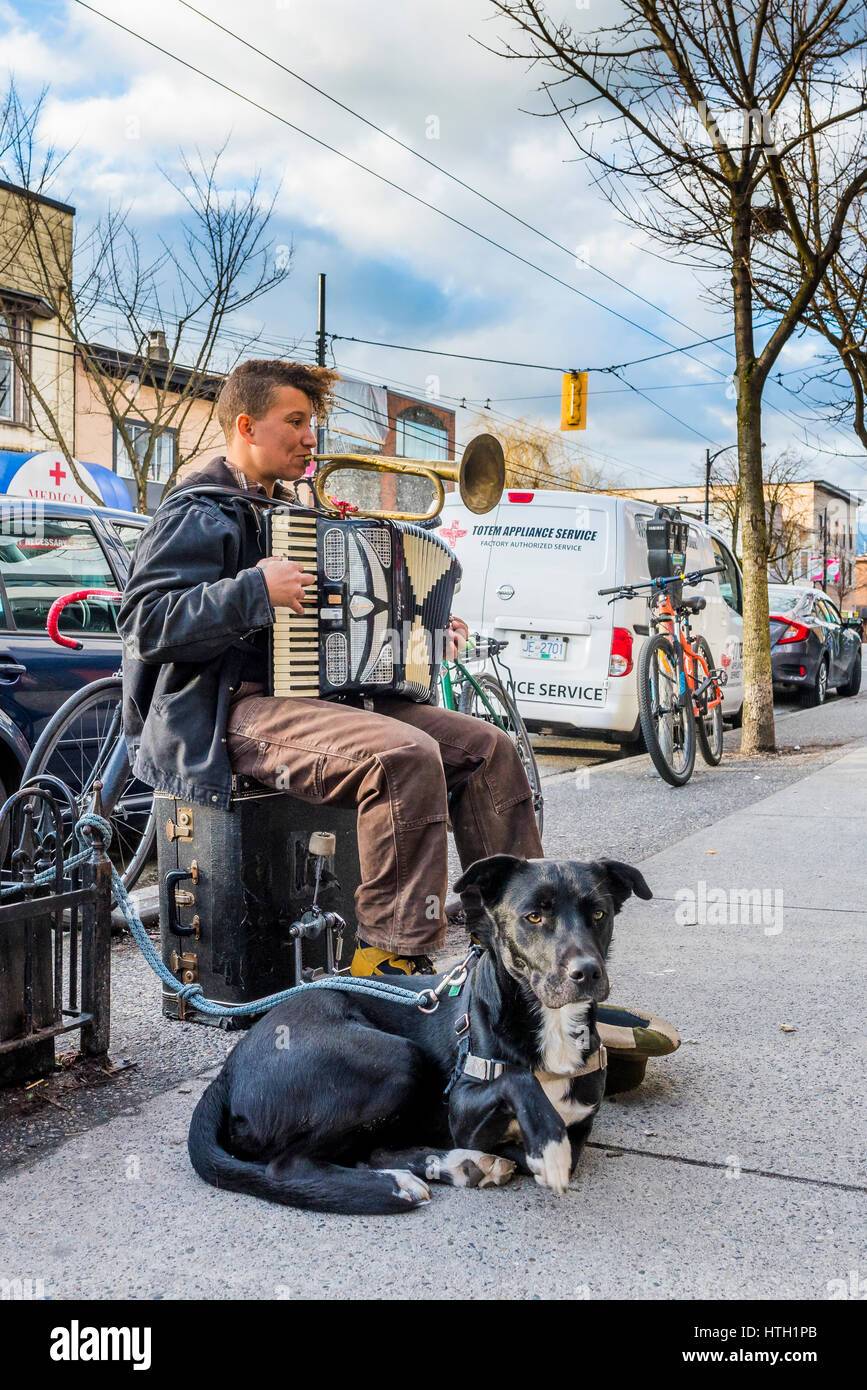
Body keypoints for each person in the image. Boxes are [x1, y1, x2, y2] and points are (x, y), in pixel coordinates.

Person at [118, 359, 543, 977]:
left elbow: (349, 625)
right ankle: (392, 957)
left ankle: (517, 941)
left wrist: (421, 629)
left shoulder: (296, 512)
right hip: (226, 711)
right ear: (247, 425)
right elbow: (144, 625)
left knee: (488, 748)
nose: (311, 437)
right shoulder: (199, 511)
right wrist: (253, 591)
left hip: (320, 700)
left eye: (311, 423)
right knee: (401, 758)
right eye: (294, 421)